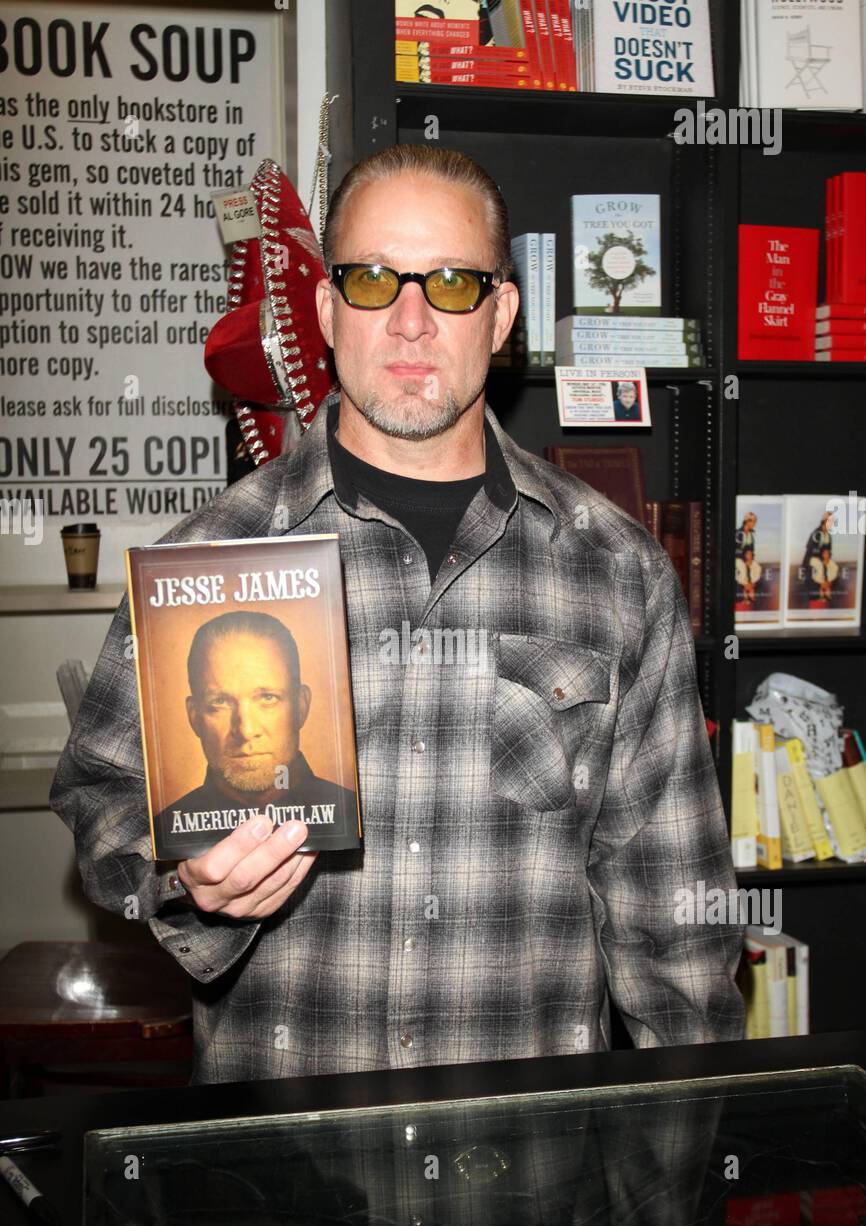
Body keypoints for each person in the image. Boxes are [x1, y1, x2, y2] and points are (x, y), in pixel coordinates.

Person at [50, 143, 744, 1086]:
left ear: (502, 315)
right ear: (328, 311)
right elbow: (100, 790)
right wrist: (180, 880)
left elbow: (675, 926)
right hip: (279, 1177)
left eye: (452, 283)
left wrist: (686, 1179)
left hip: (530, 1183)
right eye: (373, 279)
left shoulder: (616, 571)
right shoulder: (206, 559)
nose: (410, 320)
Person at [152, 611, 357, 850]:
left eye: (268, 698)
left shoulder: (356, 817)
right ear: (194, 717)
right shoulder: (162, 834)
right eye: (220, 702)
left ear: (301, 707)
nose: (246, 730)